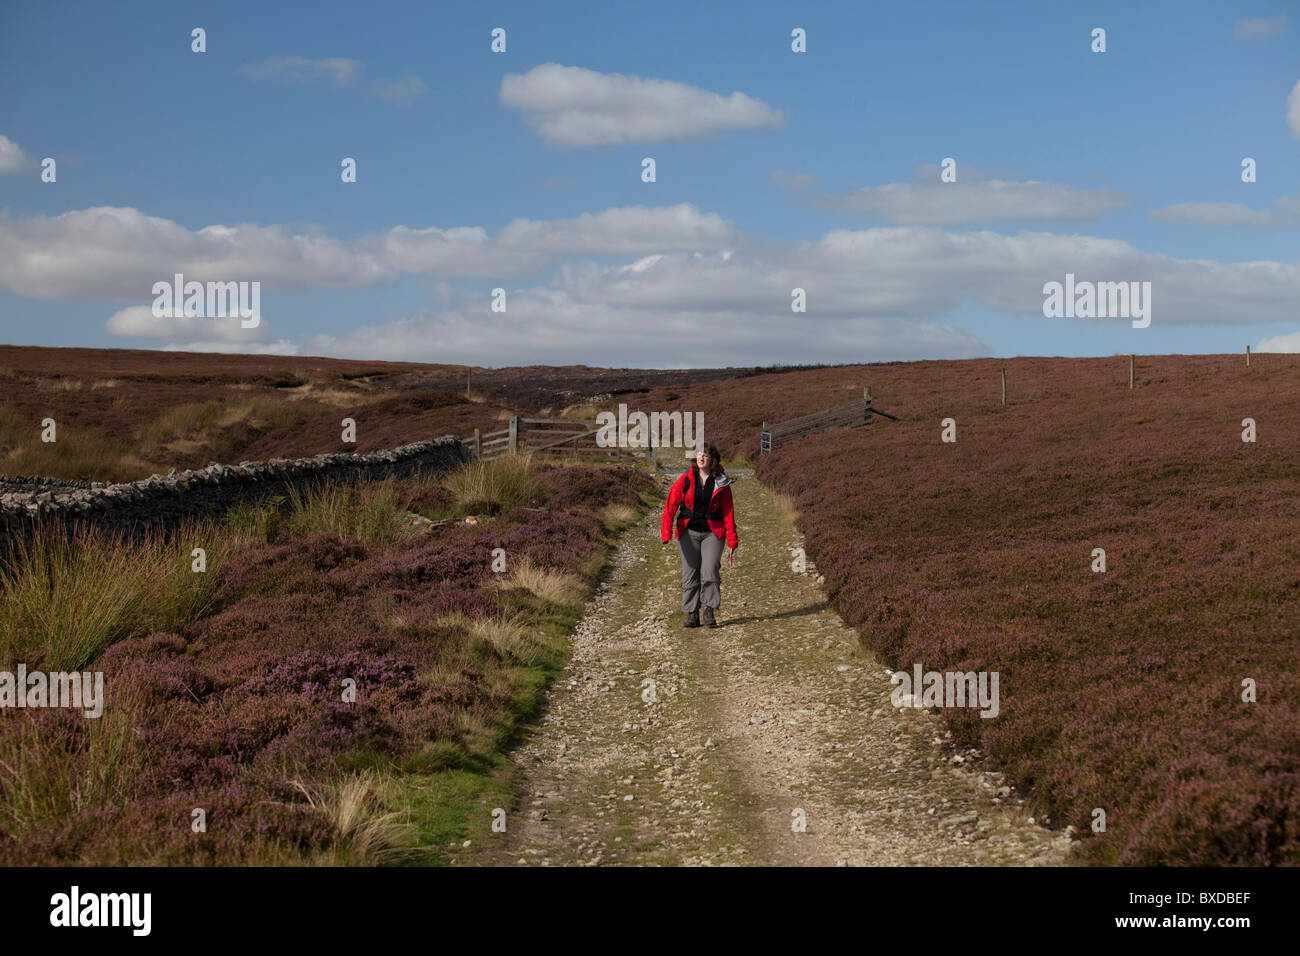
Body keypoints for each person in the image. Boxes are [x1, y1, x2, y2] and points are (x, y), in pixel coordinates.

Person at [660, 442, 738, 628]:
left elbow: (728, 511)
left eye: (706, 455)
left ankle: (709, 610)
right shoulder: (685, 479)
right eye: (699, 454)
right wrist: (666, 531)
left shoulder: (722, 482)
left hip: (713, 532)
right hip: (688, 533)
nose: (701, 457)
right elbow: (670, 505)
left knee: (710, 571)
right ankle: (692, 612)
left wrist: (732, 538)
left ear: (713, 460)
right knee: (690, 573)